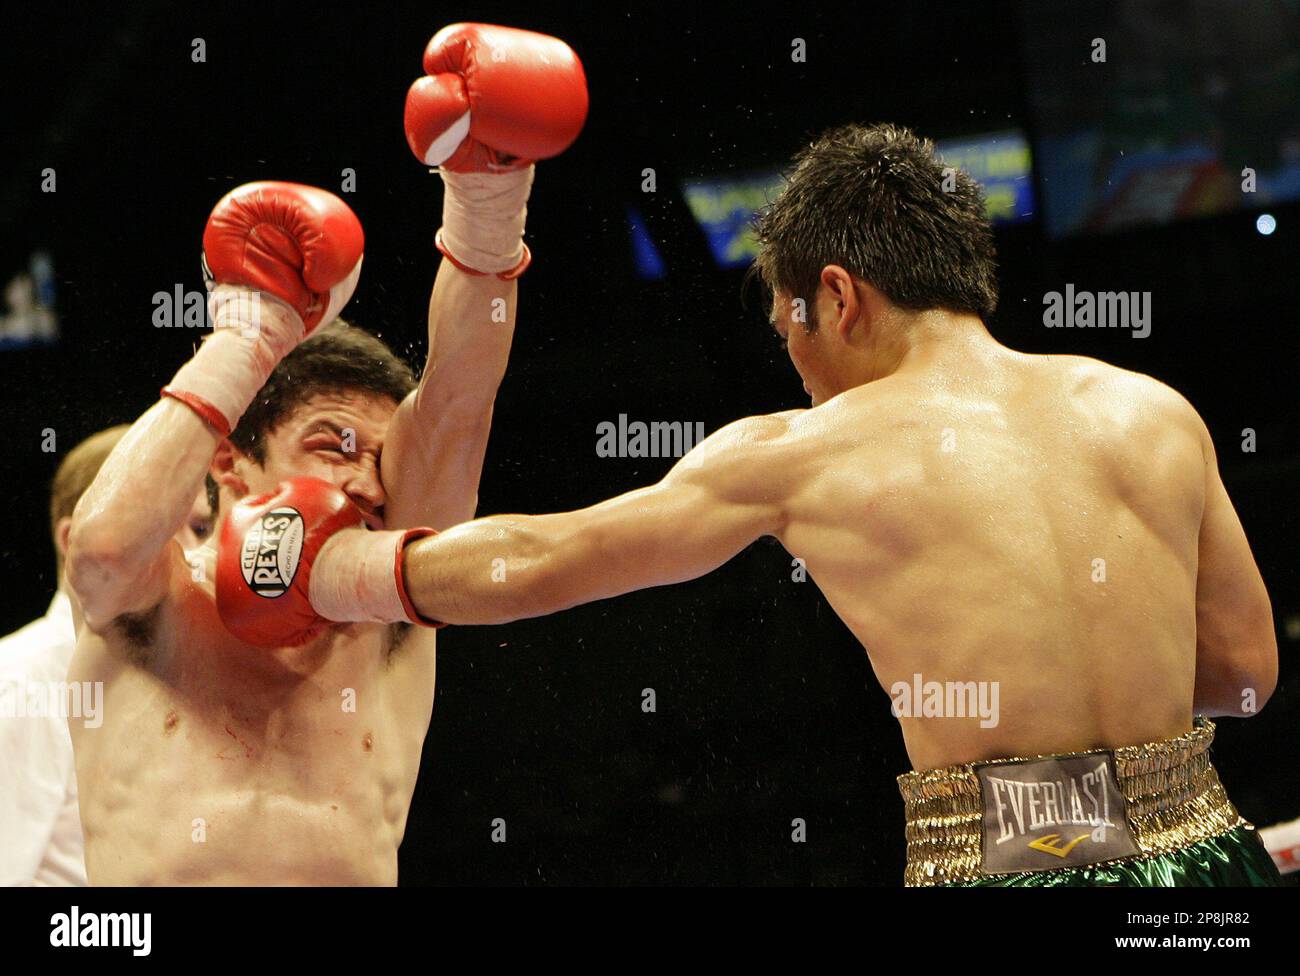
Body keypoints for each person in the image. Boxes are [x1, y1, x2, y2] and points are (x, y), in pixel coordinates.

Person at [276, 123, 1281, 887]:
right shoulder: (1152, 411)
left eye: (789, 332)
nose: (798, 372)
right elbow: (1242, 675)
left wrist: (333, 569)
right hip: (1204, 856)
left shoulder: (800, 452)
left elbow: (545, 559)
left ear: (836, 297)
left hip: (1013, 859)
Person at [64, 23, 587, 885]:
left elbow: (457, 399)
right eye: (332, 443)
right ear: (231, 463)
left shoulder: (390, 609)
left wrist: (488, 200)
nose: (364, 478)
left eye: (380, 458)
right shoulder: (152, 598)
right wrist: (251, 337)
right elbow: (102, 546)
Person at [0, 425, 216, 885]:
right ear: (74, 539)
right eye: (156, 528)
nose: (189, 552)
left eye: (199, 527)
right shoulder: (19, 684)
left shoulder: (186, 685)